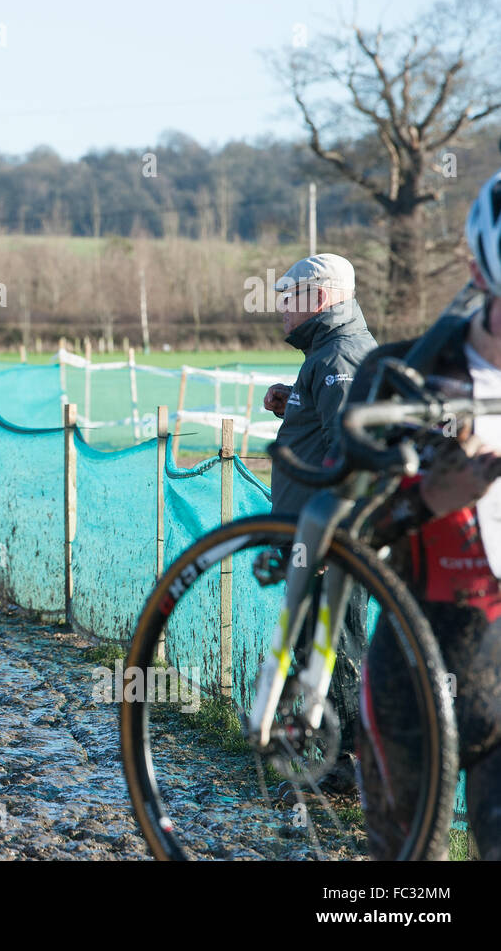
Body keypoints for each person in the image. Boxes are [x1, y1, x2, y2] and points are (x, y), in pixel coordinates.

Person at [348, 169, 501, 861]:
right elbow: (339, 535)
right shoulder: (404, 374)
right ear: (477, 272)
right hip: (412, 672)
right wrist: (431, 498)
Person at [261, 252, 377, 783]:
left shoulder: (339, 357)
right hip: (313, 534)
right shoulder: (328, 355)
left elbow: (349, 454)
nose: (282, 307)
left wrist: (334, 536)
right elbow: (332, 424)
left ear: (322, 299)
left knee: (337, 648)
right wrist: (294, 402)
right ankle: (335, 765)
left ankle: (346, 770)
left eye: (290, 297)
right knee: (317, 646)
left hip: (328, 540)